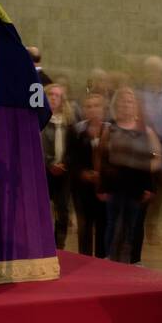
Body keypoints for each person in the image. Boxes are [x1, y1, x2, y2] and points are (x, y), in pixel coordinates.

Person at [97, 85, 162, 264]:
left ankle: (134, 260)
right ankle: (109, 258)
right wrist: (101, 187)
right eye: (123, 101)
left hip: (137, 186)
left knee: (134, 225)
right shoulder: (108, 129)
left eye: (130, 101)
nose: (126, 105)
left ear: (135, 105)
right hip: (114, 185)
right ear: (116, 104)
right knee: (111, 224)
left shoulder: (145, 131)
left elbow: (155, 159)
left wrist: (150, 186)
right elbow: (102, 159)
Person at [68, 91, 108, 256]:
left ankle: (101, 261)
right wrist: (83, 173)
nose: (93, 110)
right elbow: (70, 159)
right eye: (89, 106)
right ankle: (84, 261)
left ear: (103, 109)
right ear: (84, 110)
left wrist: (104, 177)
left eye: (96, 106)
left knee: (103, 226)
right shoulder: (76, 131)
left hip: (104, 187)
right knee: (84, 227)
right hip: (82, 188)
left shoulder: (110, 131)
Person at [41, 82, 73, 249]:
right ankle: (43, 242)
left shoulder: (69, 122)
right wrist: (50, 163)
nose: (53, 98)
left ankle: (59, 243)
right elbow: (39, 145)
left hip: (64, 171)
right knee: (43, 207)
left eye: (57, 95)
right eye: (50, 95)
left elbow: (72, 147)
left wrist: (63, 164)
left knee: (62, 209)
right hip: (45, 170)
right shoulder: (41, 120)